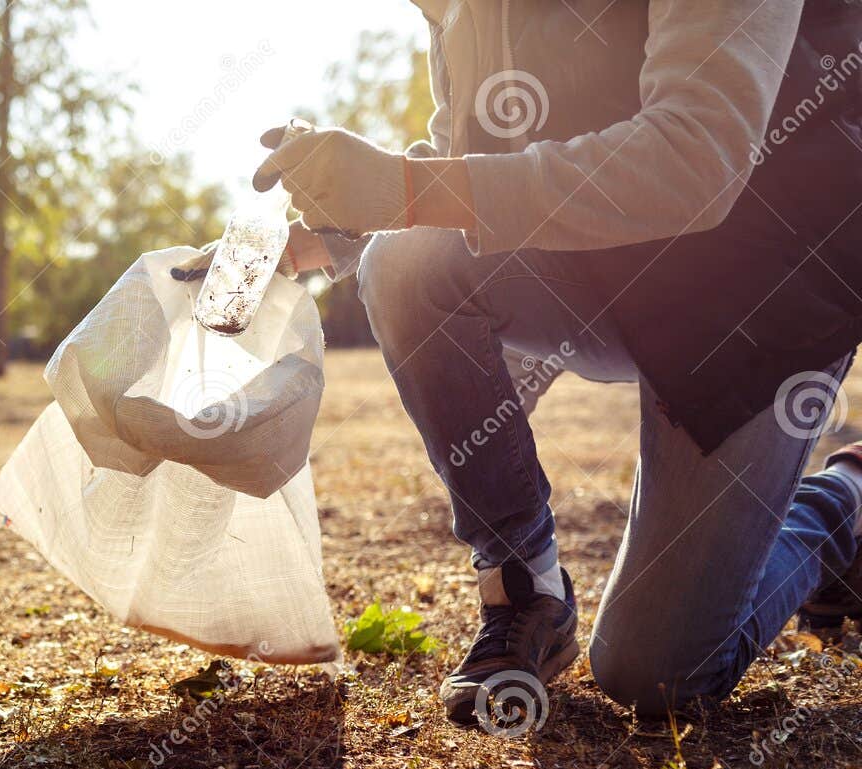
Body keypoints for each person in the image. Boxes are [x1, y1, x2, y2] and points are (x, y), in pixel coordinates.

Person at [178, 0, 862, 725]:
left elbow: (695, 156)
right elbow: (464, 163)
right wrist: (305, 245)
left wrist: (408, 191)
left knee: (655, 673)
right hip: (611, 271)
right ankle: (526, 585)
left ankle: (839, 507)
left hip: (759, 296)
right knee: (407, 263)